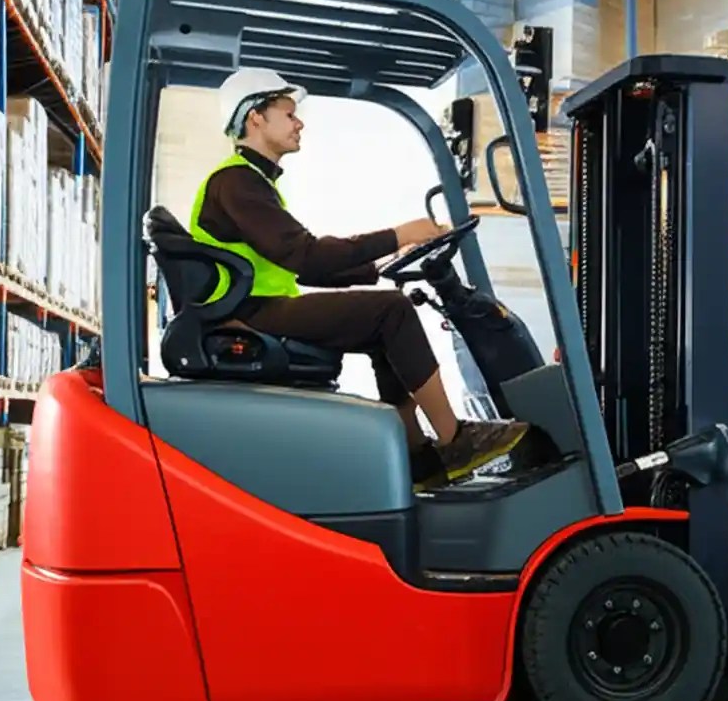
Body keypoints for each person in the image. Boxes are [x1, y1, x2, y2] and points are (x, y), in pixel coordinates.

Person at [189, 67, 529, 488]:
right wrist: (397, 235)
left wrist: (378, 268)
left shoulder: (251, 182)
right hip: (249, 315)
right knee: (391, 311)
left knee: (381, 325)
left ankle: (417, 456)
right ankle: (455, 439)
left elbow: (300, 262)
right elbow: (307, 256)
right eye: (289, 113)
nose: (300, 123)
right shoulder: (236, 182)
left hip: (258, 307)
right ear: (255, 118)